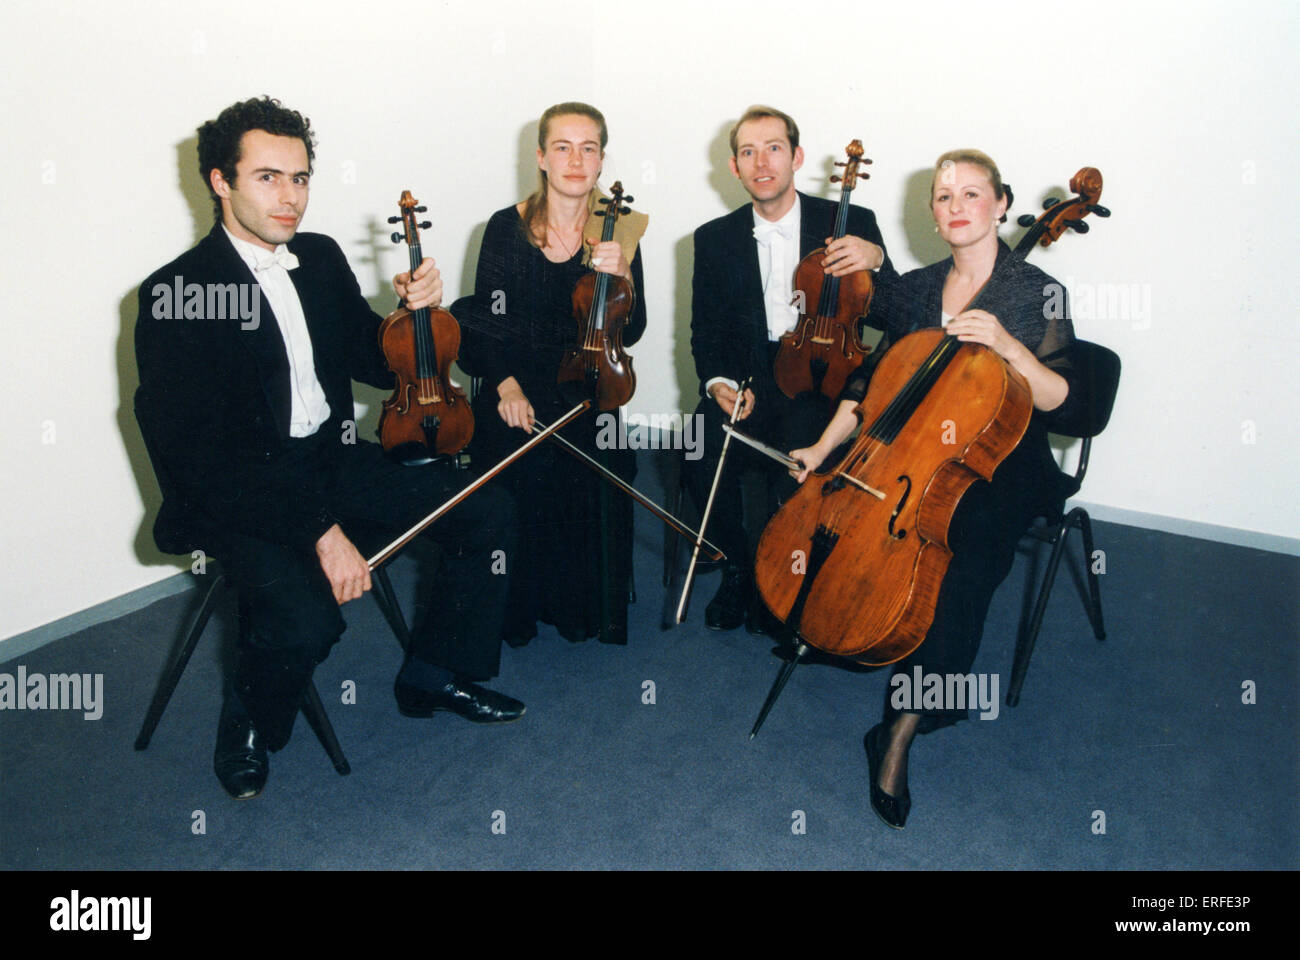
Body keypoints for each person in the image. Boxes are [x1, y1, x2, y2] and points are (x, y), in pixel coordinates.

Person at [135, 96, 524, 800]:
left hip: (330, 458)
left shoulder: (316, 257)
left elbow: (377, 362)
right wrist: (322, 532)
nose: (291, 198)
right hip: (241, 492)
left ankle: (433, 673)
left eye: (301, 177)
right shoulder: (176, 295)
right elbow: (204, 462)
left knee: (485, 510)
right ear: (220, 181)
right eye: (268, 178)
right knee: (305, 618)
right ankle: (249, 720)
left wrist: (417, 319)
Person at [789, 149, 1081, 828]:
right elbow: (873, 386)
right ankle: (864, 633)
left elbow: (1064, 401)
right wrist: (822, 448)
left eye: (971, 194)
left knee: (963, 550)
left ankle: (901, 723)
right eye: (943, 196)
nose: (956, 207)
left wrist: (1011, 346)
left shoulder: (1036, 292)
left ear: (1002, 204)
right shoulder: (916, 290)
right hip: (917, 449)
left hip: (1003, 460)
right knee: (867, 515)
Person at [687, 105, 895, 631]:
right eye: (748, 152)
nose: (762, 162)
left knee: (805, 448)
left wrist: (875, 261)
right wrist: (719, 384)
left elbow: (896, 311)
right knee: (699, 444)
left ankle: (791, 576)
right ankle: (736, 566)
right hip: (752, 376)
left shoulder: (851, 223)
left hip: (824, 378)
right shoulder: (712, 238)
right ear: (733, 167)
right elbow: (705, 331)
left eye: (774, 148)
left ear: (797, 157)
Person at [453, 102, 647, 646]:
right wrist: (505, 386)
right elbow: (483, 325)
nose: (575, 159)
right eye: (562, 147)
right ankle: (515, 608)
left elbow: (631, 333)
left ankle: (583, 607)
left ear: (602, 159)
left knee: (605, 462)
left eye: (589, 148)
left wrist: (625, 274)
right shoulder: (504, 229)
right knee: (520, 474)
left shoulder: (620, 228)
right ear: (541, 157)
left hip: (587, 383)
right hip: (517, 382)